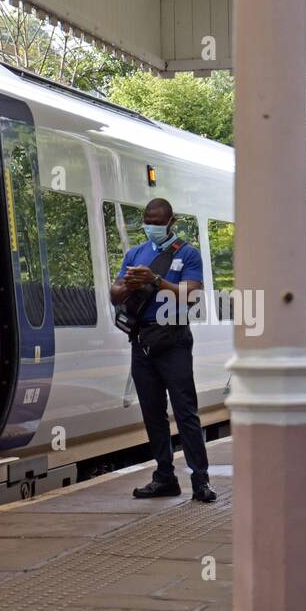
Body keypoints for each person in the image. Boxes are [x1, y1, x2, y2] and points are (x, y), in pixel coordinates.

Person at [110, 198, 216, 502]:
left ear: (171, 222)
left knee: (185, 411)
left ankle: (201, 481)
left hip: (173, 341)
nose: (151, 225)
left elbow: (191, 295)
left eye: (157, 221)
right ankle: (165, 477)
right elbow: (114, 293)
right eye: (147, 219)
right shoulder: (134, 253)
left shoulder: (188, 253)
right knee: (152, 413)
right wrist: (130, 284)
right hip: (141, 341)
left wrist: (156, 281)